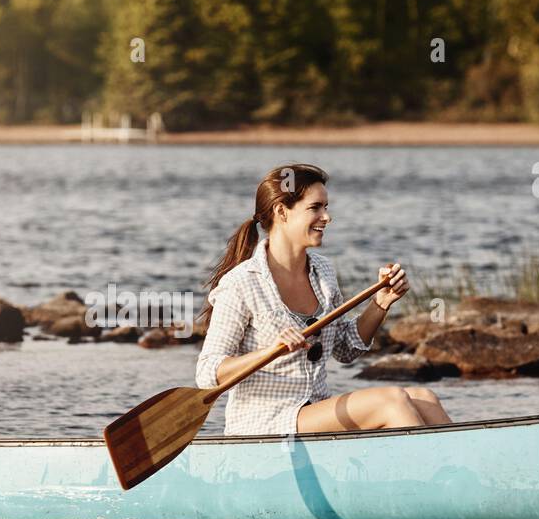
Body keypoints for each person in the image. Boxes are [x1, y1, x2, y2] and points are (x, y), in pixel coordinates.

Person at [194, 162, 452, 436]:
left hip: (315, 410)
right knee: (391, 401)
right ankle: (432, 477)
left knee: (425, 398)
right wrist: (270, 351)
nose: (326, 217)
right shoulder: (241, 282)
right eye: (315, 208)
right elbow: (208, 372)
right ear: (282, 212)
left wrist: (381, 303)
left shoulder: (323, 272)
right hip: (265, 422)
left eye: (326, 207)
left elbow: (345, 348)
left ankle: (465, 475)